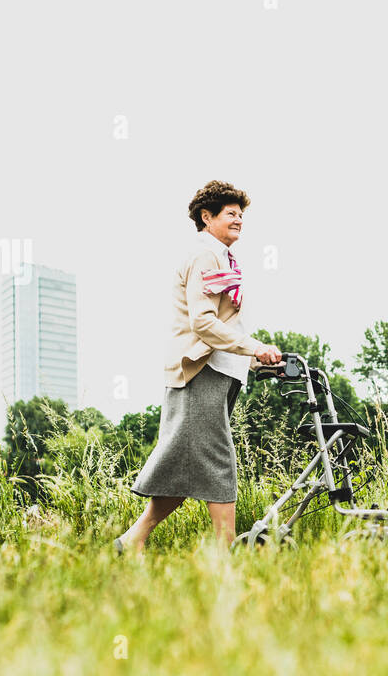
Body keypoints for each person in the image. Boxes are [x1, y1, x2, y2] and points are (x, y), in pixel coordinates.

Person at [113, 180, 282, 554]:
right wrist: (255, 347)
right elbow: (203, 323)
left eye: (241, 214)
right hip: (201, 373)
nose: (239, 220)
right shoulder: (206, 257)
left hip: (219, 373)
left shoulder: (222, 259)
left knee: (184, 467)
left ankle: (131, 541)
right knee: (218, 462)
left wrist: (255, 359)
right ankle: (226, 555)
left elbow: (226, 323)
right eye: (230, 213)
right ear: (207, 217)